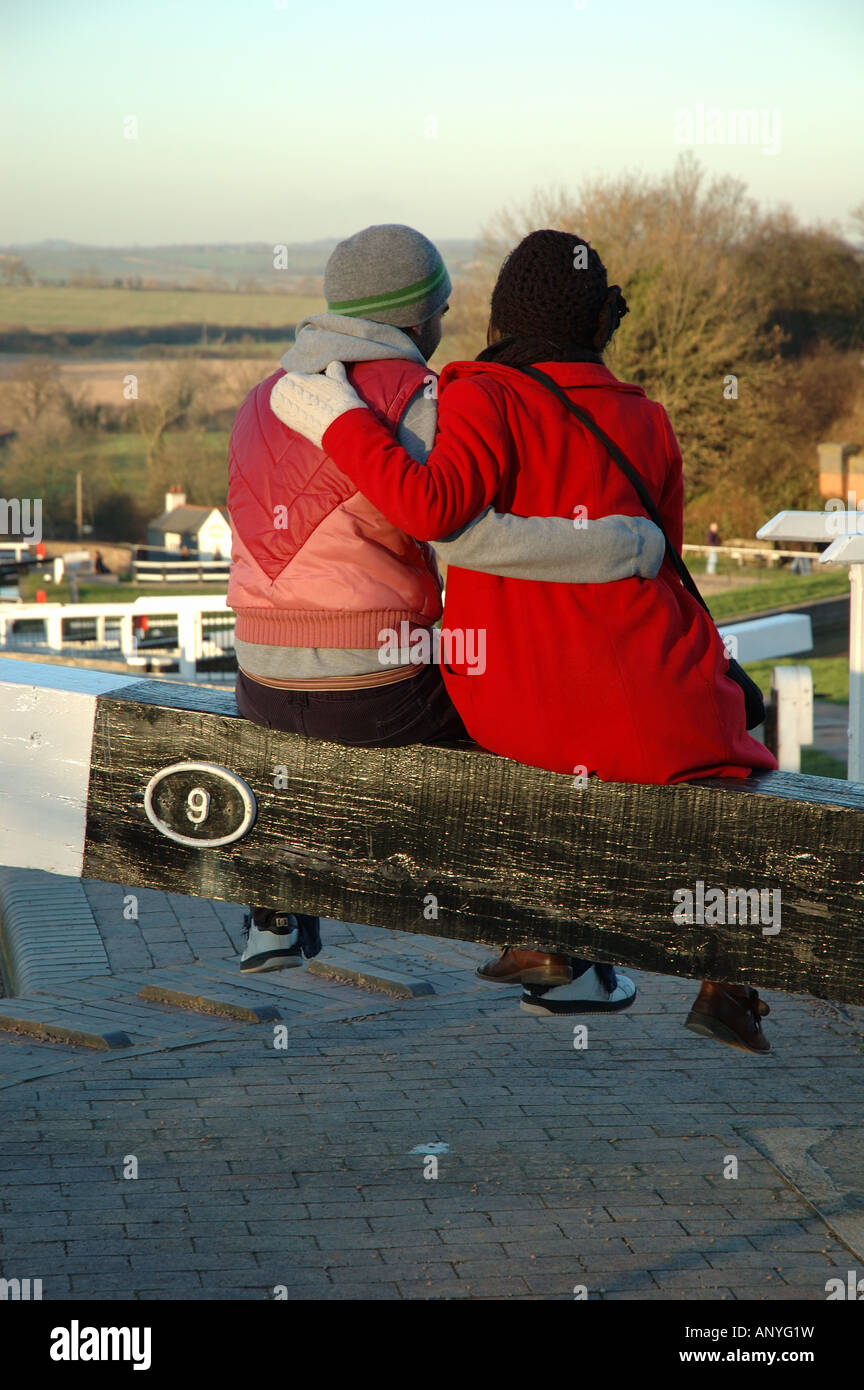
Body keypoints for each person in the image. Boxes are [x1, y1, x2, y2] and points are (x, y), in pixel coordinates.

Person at [270, 229, 779, 1054]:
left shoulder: (478, 393)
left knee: (582, 764)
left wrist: (342, 423)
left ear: (504, 317)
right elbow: (667, 571)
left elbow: (434, 506)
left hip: (504, 705)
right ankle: (728, 979)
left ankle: (549, 939)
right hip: (645, 715)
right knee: (737, 756)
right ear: (596, 326)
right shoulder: (644, 416)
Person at [227, 224, 665, 975]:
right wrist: (618, 546)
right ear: (418, 317)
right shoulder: (418, 397)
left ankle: (274, 912)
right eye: (442, 306)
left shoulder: (263, 398)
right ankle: (552, 950)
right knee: (527, 731)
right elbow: (463, 533)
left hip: (259, 681)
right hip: (375, 686)